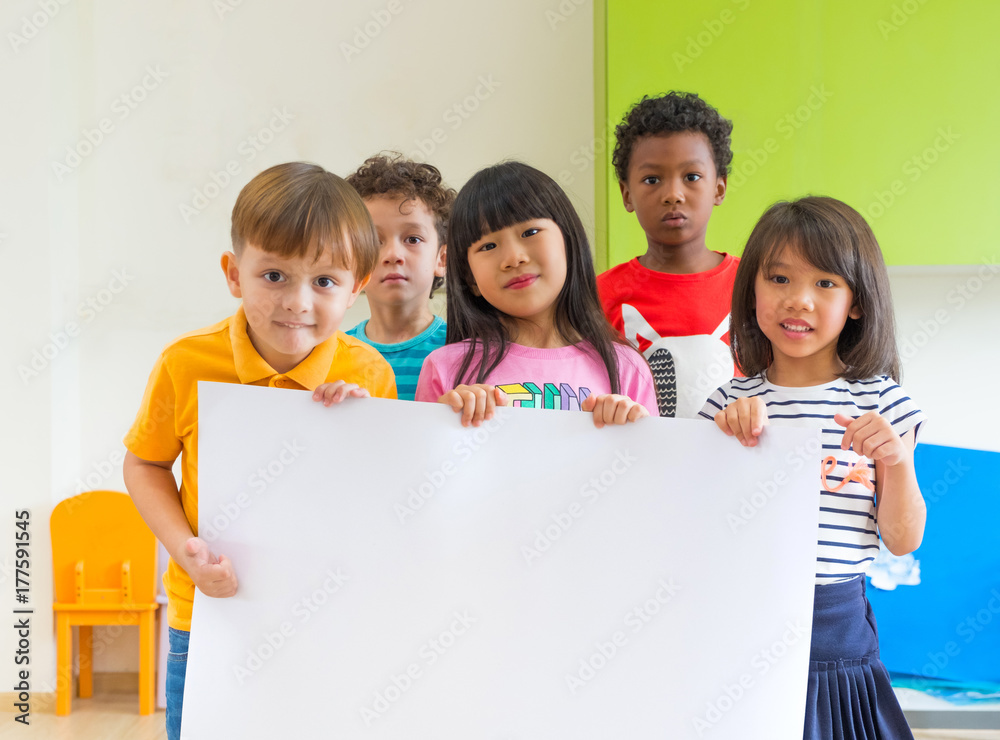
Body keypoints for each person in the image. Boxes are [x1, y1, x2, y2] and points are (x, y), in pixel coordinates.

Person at [122, 162, 396, 740]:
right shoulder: (186, 363)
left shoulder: (367, 372)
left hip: (327, 619)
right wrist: (184, 548)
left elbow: (379, 497)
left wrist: (359, 428)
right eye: (274, 275)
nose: (297, 301)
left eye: (324, 281)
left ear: (358, 285)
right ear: (233, 273)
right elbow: (144, 463)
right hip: (209, 620)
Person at [700, 196, 925, 740]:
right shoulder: (723, 404)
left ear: (856, 302)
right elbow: (699, 536)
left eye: (825, 283)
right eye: (778, 278)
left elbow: (902, 538)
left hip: (836, 638)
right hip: (741, 635)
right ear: (751, 289)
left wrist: (895, 458)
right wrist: (726, 441)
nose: (798, 300)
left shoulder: (885, 404)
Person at [415, 161, 657, 427]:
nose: (513, 258)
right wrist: (447, 422)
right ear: (469, 278)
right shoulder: (444, 368)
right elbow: (424, 466)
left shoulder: (627, 367)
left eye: (530, 232)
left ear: (569, 242)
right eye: (488, 246)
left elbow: (653, 466)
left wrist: (629, 433)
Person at [597, 92, 738, 418]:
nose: (673, 194)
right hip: (639, 463)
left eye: (691, 177)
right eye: (652, 179)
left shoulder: (758, 285)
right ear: (626, 193)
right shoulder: (598, 296)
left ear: (719, 187)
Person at [345, 153, 455, 400]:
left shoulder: (466, 353)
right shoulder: (332, 354)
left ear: (442, 259)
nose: (393, 255)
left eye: (413, 239)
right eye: (374, 241)